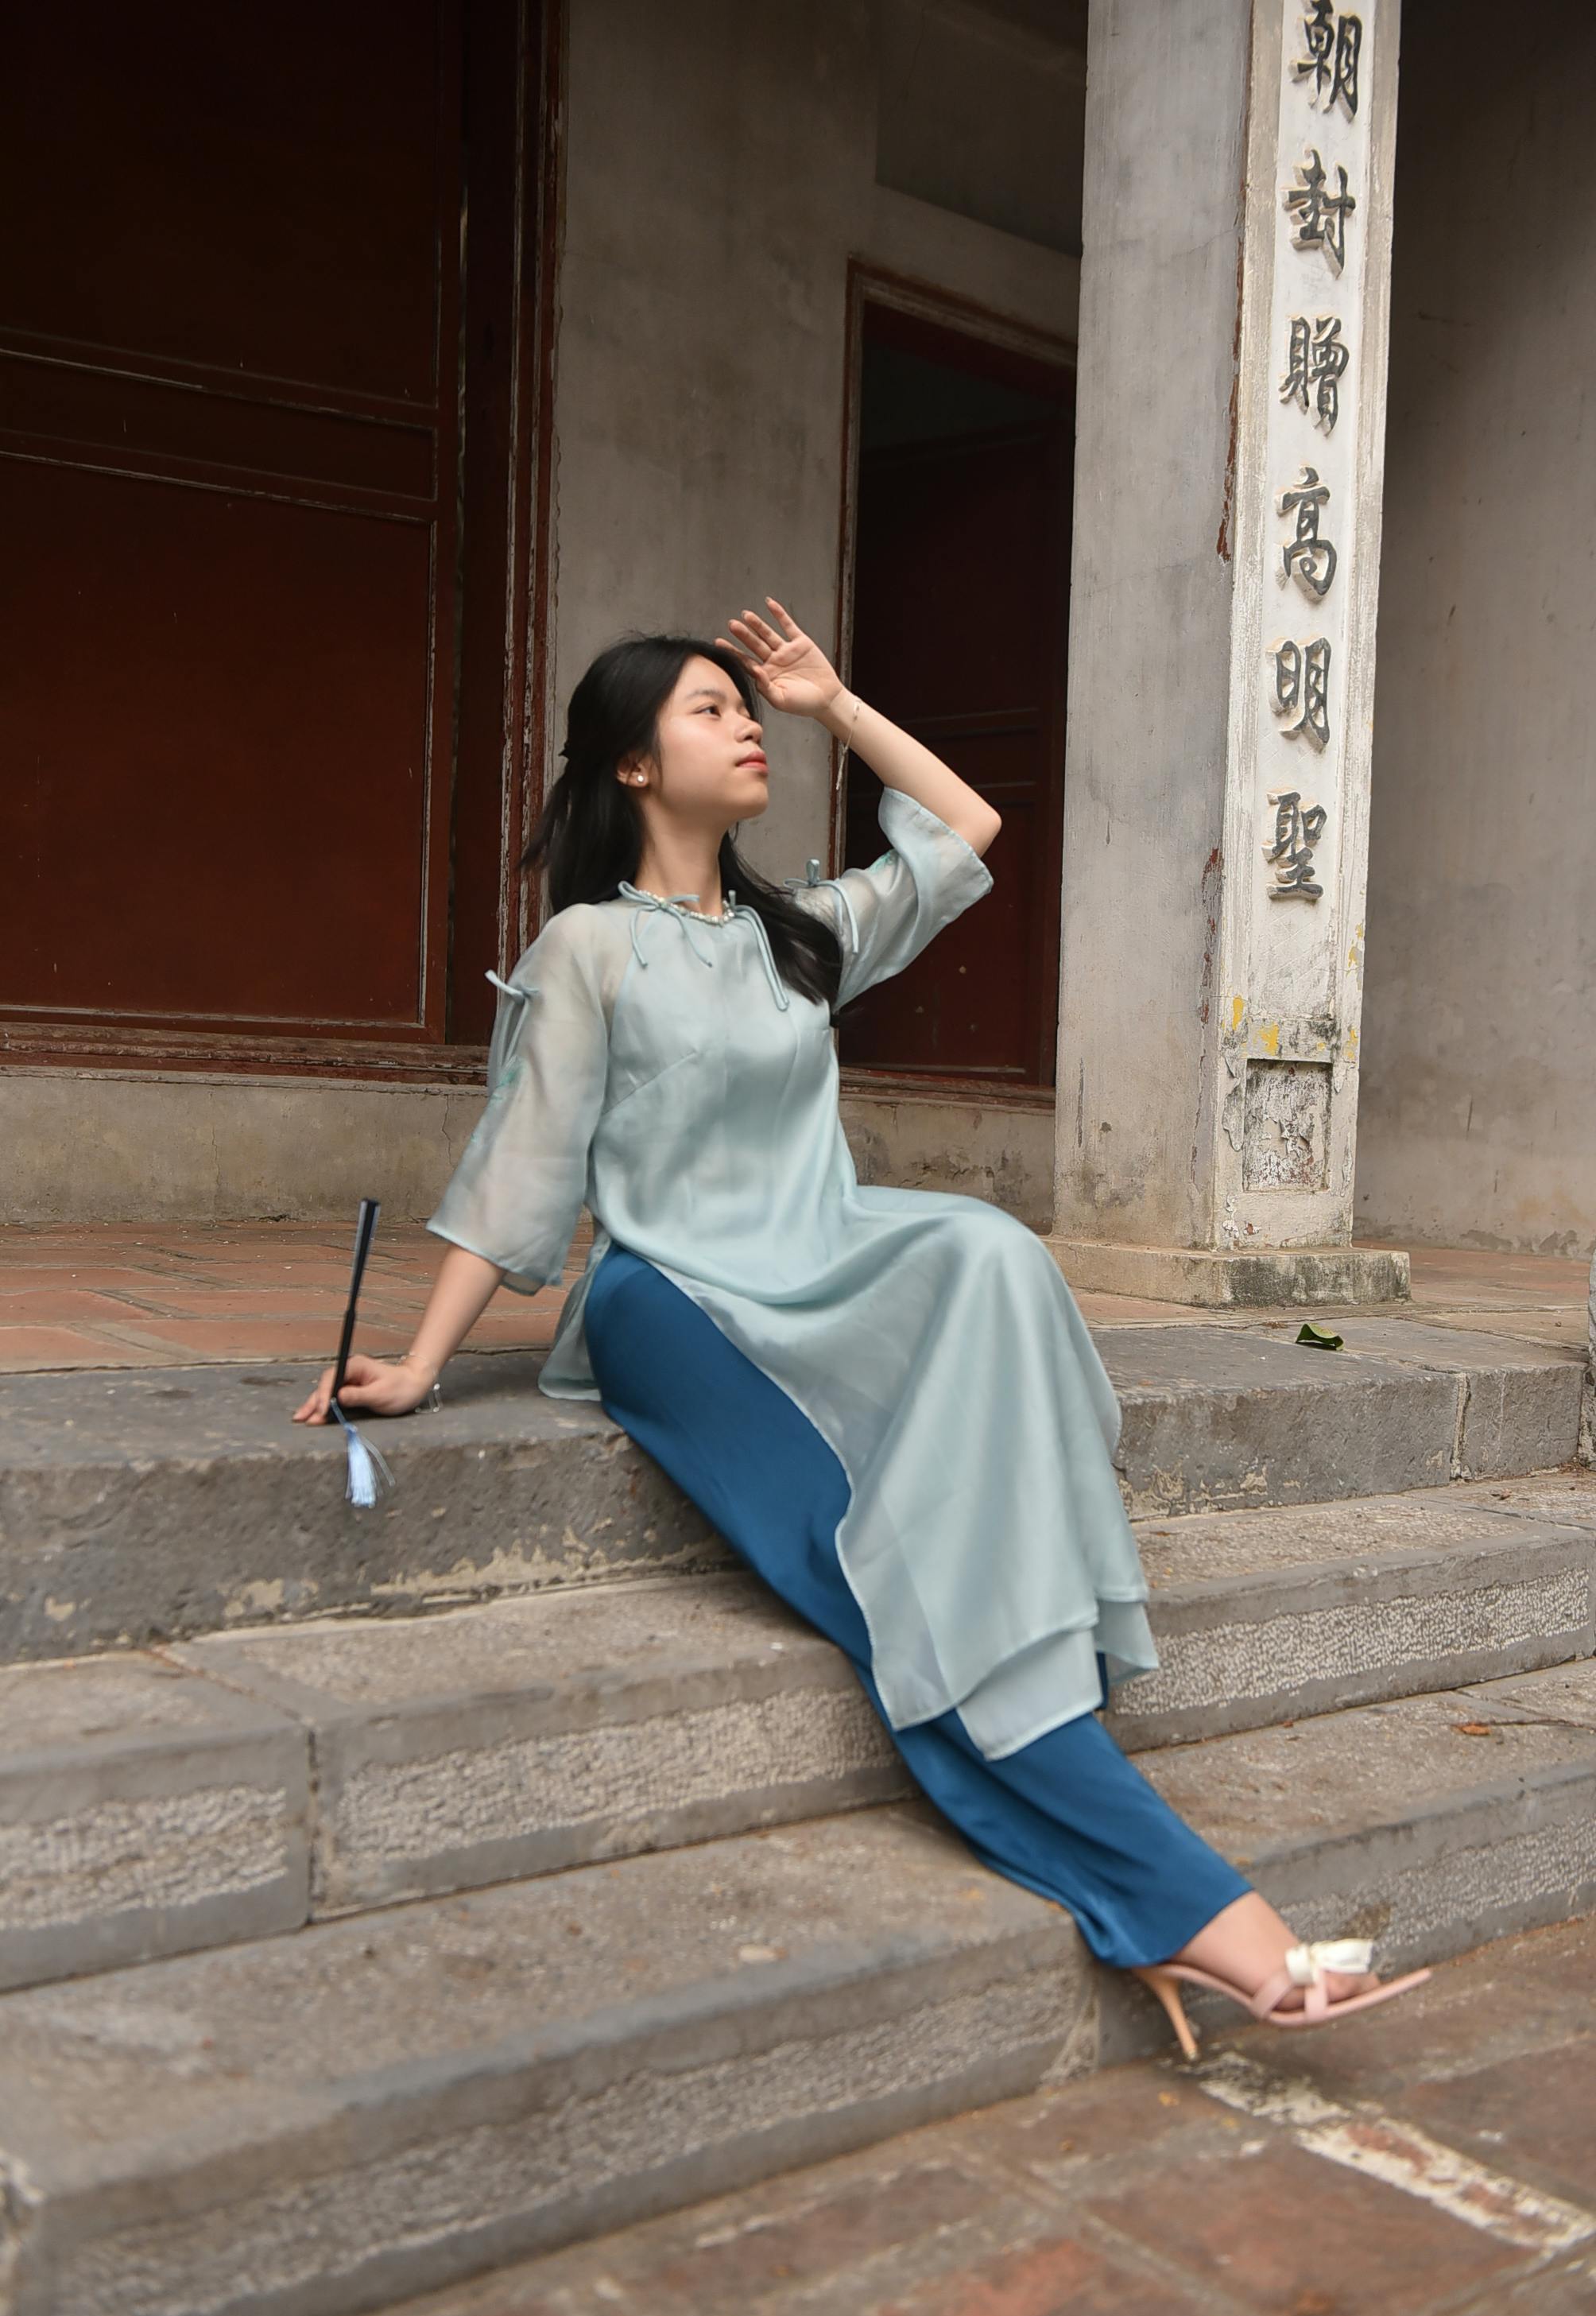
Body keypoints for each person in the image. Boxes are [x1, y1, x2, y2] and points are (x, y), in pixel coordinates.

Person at [297, 597, 1431, 2055]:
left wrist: (834, 705)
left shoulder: (797, 934)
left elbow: (965, 830)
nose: (746, 726)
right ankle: (1202, 1918)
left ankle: (1105, 1777)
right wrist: (420, 1363)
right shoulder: (590, 946)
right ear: (632, 764)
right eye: (711, 709)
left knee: (988, 1248)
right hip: (673, 1298)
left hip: (817, 1256)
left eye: (747, 706)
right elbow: (525, 1159)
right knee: (902, 1590)